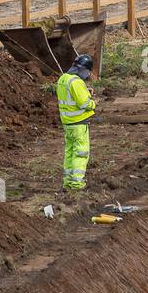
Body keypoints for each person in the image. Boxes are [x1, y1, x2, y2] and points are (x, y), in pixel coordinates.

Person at [56, 55, 96, 191]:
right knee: (80, 153)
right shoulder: (77, 82)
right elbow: (84, 103)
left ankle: (67, 181)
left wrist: (86, 92)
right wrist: (93, 103)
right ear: (84, 70)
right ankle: (77, 183)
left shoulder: (63, 79)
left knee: (70, 152)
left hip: (67, 123)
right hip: (79, 124)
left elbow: (71, 97)